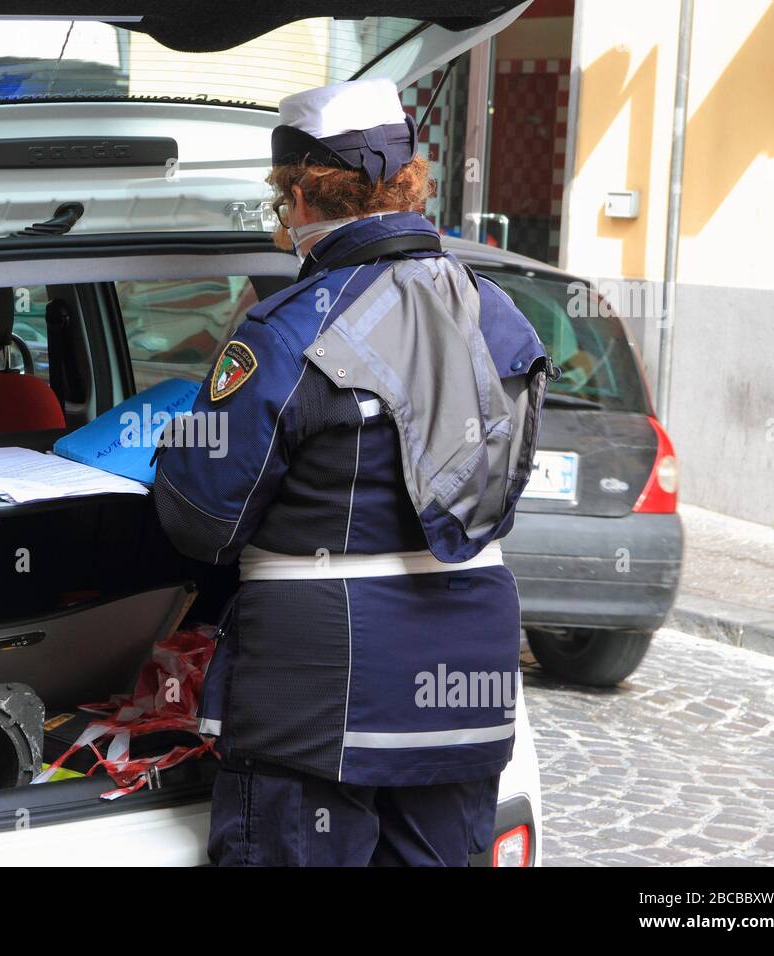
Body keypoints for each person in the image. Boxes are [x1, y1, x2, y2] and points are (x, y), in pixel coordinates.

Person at [153, 78, 551, 866]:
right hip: (465, 679)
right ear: (406, 182)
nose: (281, 224)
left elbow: (203, 519)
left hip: (321, 692)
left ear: (302, 195)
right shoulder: (500, 315)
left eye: (280, 204)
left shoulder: (286, 331)